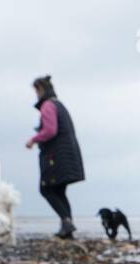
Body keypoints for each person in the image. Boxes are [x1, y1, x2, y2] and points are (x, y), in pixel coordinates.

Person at [25, 75, 85, 239]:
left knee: (47, 189)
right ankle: (67, 227)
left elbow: (50, 130)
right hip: (68, 154)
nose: (36, 94)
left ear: (42, 90)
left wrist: (33, 139)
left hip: (56, 156)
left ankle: (66, 222)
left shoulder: (48, 106)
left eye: (37, 91)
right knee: (59, 190)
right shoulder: (59, 105)